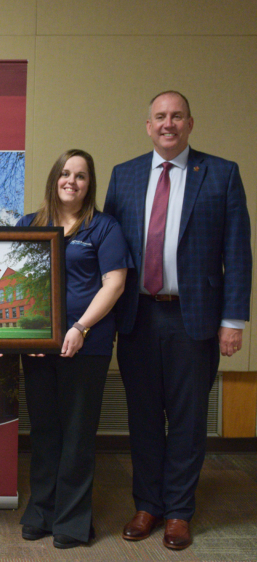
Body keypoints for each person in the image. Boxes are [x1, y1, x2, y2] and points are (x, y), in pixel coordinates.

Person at [104, 91, 251, 551]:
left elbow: (238, 254)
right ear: (148, 125)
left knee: (187, 420)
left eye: (177, 116)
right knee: (144, 416)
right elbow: (108, 248)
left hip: (196, 317)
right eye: (160, 117)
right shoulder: (123, 176)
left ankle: (179, 513)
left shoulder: (222, 174)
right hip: (137, 315)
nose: (168, 124)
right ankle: (148, 505)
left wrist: (234, 320)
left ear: (190, 123)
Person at [17, 150, 130, 548]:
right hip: (38, 347)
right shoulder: (29, 224)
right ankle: (41, 511)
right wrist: (24, 337)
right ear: (54, 177)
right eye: (65, 173)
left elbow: (113, 284)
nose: (72, 181)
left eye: (80, 176)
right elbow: (25, 284)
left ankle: (73, 521)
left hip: (88, 343)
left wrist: (80, 327)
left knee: (78, 434)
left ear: (89, 184)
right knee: (44, 431)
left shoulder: (104, 227)